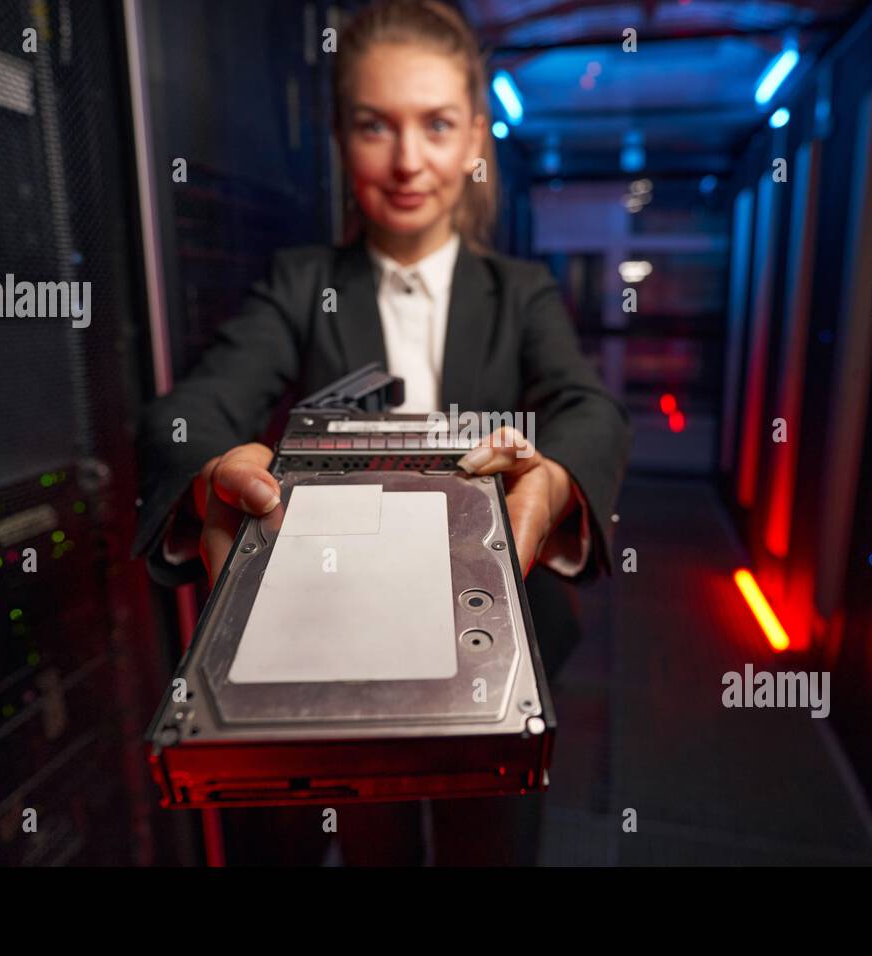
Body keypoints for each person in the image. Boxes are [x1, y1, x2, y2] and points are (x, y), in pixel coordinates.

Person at [131, 0, 631, 865]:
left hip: (500, 638)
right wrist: (213, 469)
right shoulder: (300, 283)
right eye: (374, 126)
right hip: (341, 637)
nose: (407, 160)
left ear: (474, 137)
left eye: (436, 124)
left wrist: (551, 482)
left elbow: (590, 409)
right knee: (372, 845)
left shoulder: (521, 293)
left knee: (491, 849)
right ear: (340, 138)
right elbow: (188, 410)